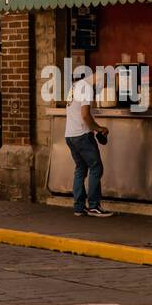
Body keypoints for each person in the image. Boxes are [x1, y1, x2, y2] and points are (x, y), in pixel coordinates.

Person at [65, 73, 113, 217]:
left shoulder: (73, 87)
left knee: (80, 169)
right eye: (104, 84)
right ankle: (94, 206)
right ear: (100, 79)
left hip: (70, 135)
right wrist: (99, 128)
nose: (103, 88)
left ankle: (79, 207)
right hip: (82, 135)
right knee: (96, 167)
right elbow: (85, 115)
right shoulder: (86, 87)